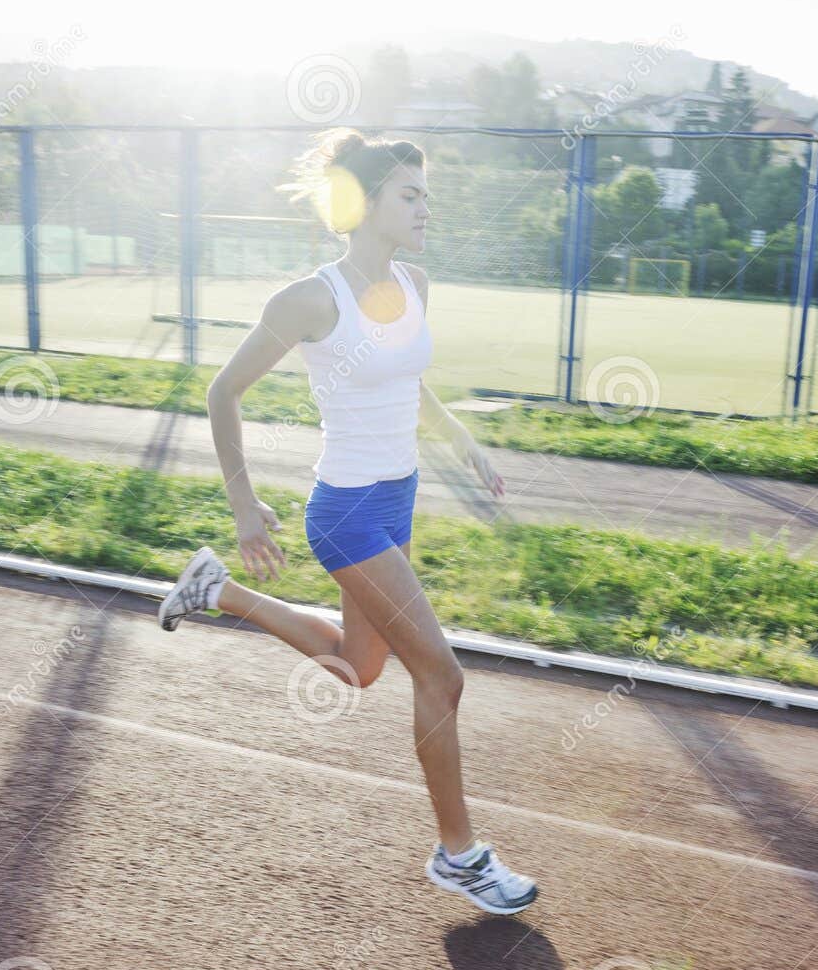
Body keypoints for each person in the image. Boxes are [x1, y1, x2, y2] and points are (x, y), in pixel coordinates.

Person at [157, 128, 537, 916]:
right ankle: (459, 854)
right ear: (365, 204)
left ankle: (215, 590)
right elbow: (222, 393)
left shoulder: (417, 283)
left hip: (397, 496)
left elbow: (412, 382)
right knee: (442, 672)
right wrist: (242, 502)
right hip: (346, 512)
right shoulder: (310, 300)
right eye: (410, 194)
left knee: (359, 669)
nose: (426, 206)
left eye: (426, 192)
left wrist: (462, 442)